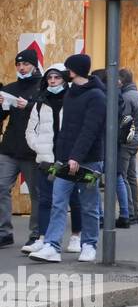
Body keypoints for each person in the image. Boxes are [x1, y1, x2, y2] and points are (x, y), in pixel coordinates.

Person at [28, 54, 104, 263]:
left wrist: (76, 157)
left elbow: (90, 131)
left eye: (68, 69)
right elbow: (65, 130)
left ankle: (89, 244)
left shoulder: (96, 96)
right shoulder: (71, 95)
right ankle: (52, 246)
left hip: (88, 160)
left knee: (89, 204)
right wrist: (61, 158)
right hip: (65, 159)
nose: (64, 73)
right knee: (58, 202)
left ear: (75, 70)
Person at [22, 63, 82, 252]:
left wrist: (75, 153)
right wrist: (39, 147)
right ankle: (43, 237)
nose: (53, 81)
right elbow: (31, 130)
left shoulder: (73, 99)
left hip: (68, 158)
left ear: (64, 79)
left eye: (57, 77)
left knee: (73, 199)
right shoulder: (40, 102)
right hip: (46, 158)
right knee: (45, 199)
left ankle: (76, 236)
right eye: (50, 78)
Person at [0, 49, 44, 249]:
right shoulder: (9, 88)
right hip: (9, 148)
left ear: (34, 65)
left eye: (25, 64)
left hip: (32, 150)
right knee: (1, 188)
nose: (22, 67)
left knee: (36, 193)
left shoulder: (42, 88)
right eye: (18, 64)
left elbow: (48, 115)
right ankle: (4, 232)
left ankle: (36, 234)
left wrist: (28, 106)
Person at [116, 68, 138, 227]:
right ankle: (135, 213)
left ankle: (129, 212)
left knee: (123, 177)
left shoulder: (125, 98)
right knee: (132, 177)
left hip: (125, 140)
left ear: (121, 81)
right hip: (136, 138)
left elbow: (123, 121)